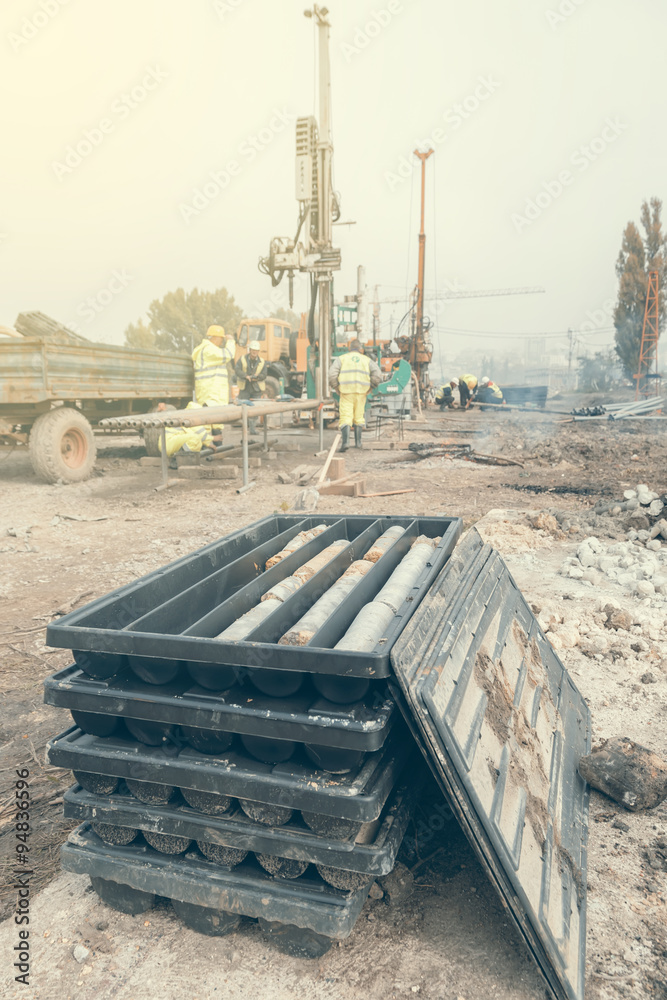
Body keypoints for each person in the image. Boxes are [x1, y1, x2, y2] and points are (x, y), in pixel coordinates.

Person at [329, 339, 382, 451]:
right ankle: (358, 443)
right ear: (361, 349)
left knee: (345, 416)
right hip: (361, 392)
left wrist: (336, 387)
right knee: (359, 416)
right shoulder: (367, 360)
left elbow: (332, 374)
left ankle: (346, 443)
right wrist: (371, 387)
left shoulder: (341, 359)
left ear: (349, 348)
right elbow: (378, 374)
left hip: (346, 392)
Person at [158, 402, 222, 468]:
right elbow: (200, 433)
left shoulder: (183, 417)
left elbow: (193, 433)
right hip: (168, 443)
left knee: (197, 441)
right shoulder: (190, 418)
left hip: (167, 444)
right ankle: (176, 460)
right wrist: (213, 438)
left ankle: (178, 458)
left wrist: (208, 444)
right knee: (195, 439)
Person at [191, 325, 235, 407]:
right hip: (211, 397)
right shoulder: (209, 350)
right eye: (221, 338)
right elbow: (228, 354)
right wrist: (231, 341)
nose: (222, 341)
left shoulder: (208, 349)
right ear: (215, 337)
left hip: (211, 396)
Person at [235, 340, 267, 435]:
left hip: (256, 388)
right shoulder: (242, 359)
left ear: (258, 351)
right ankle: (244, 429)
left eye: (256, 350)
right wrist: (245, 376)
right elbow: (237, 370)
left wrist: (257, 377)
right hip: (245, 387)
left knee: (255, 409)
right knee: (242, 408)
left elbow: (264, 374)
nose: (254, 352)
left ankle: (252, 429)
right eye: (253, 350)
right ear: (250, 350)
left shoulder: (262, 362)